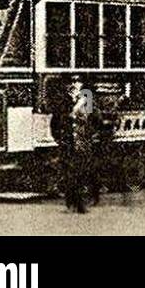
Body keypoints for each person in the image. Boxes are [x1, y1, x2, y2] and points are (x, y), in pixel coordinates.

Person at [50, 76, 100, 214]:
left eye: (77, 84)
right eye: (71, 84)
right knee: (70, 174)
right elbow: (55, 123)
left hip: (82, 142)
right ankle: (73, 203)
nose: (74, 86)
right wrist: (59, 139)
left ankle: (80, 203)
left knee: (80, 172)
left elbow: (94, 119)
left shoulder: (87, 100)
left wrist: (91, 134)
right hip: (68, 143)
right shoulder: (63, 102)